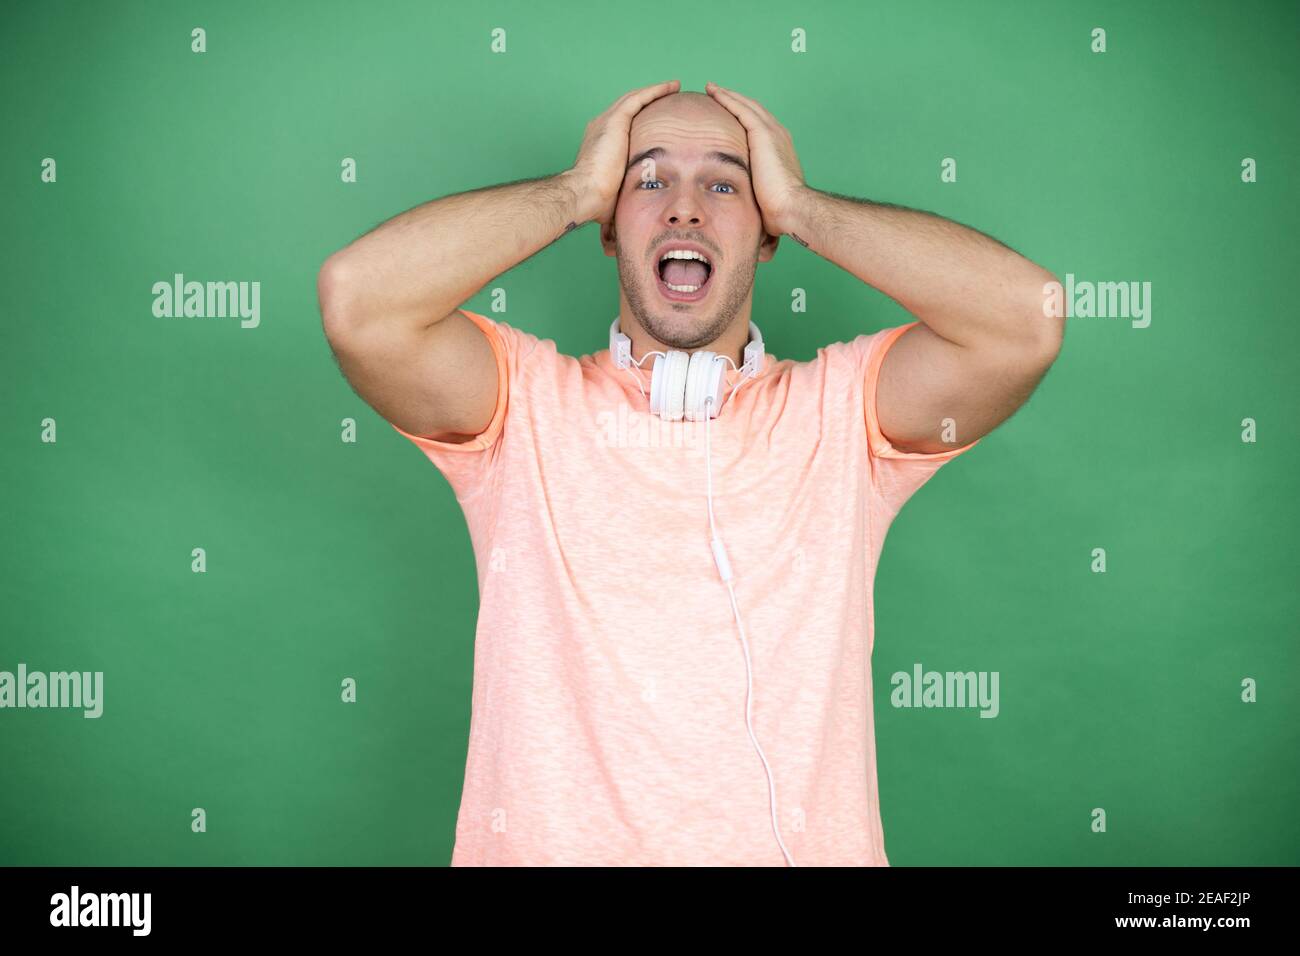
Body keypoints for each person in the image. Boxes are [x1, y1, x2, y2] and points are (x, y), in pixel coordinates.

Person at [316, 80, 1065, 866]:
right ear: (609, 228)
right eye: (647, 180)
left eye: (723, 183)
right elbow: (358, 300)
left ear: (766, 232)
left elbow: (1027, 320)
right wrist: (573, 191)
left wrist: (804, 205)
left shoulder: (842, 415)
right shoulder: (522, 407)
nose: (684, 209)